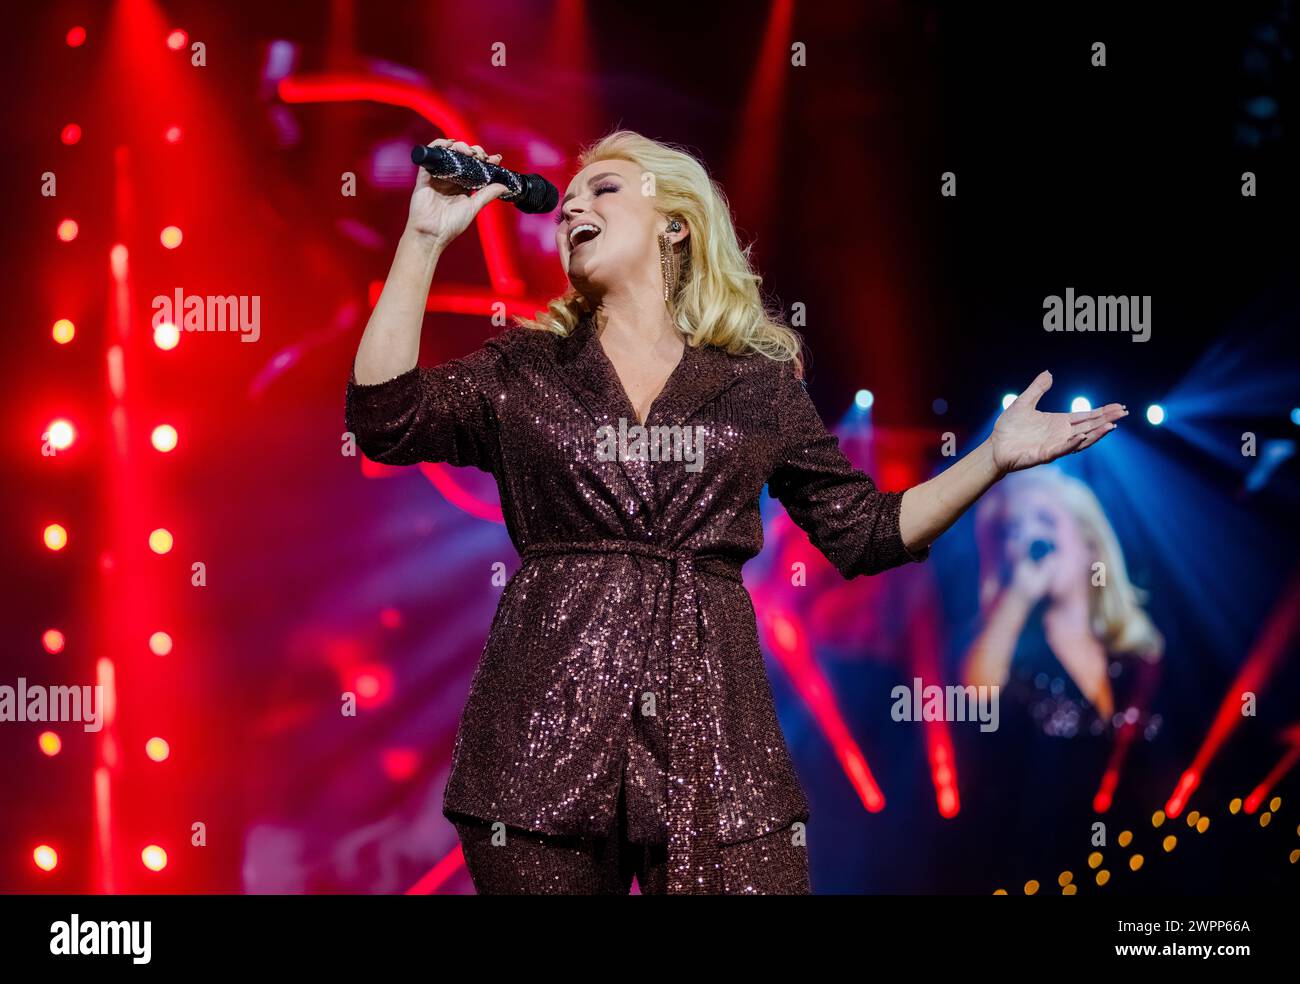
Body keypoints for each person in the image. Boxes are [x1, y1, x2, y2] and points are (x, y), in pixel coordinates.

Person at [344, 130, 1127, 894]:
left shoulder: (756, 386)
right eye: (567, 201)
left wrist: (991, 456)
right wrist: (422, 237)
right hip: (541, 739)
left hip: (715, 739)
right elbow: (384, 418)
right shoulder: (525, 367)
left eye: (603, 189)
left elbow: (867, 532)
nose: (572, 206)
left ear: (674, 222)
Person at [957, 467, 1163, 888]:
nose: (1032, 539)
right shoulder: (1005, 649)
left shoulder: (1140, 654)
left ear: (1089, 542)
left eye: (1046, 522)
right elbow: (975, 696)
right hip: (1035, 872)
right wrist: (1018, 597)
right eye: (1014, 529)